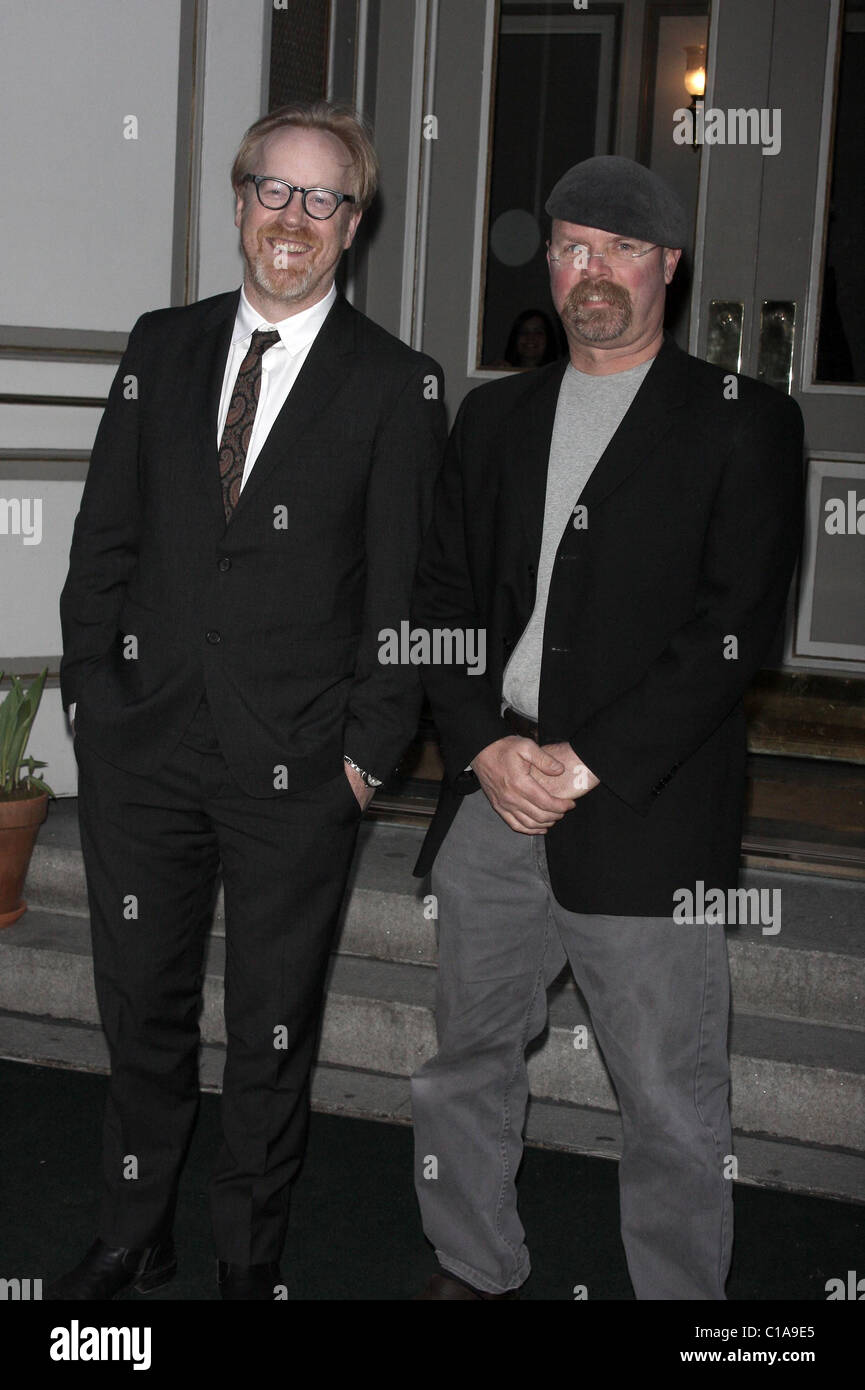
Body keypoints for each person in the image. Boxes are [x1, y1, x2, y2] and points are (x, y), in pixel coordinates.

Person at [52, 100, 445, 1301]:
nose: (292, 217)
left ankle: (246, 1257)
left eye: (322, 199)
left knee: (271, 1028)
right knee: (141, 1007)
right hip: (145, 750)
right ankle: (135, 1227)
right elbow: (102, 541)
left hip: (299, 766)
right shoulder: (158, 347)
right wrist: (92, 700)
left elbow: (405, 587)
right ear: (238, 203)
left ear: (354, 224)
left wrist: (368, 756)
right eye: (272, 190)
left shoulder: (397, 384)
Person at [410, 155, 803, 1300]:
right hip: (494, 791)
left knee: (669, 1098)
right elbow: (438, 605)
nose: (595, 271)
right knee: (460, 1066)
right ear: (552, 263)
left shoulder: (745, 422)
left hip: (643, 809)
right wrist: (485, 743)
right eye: (574, 245)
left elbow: (735, 635)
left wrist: (581, 761)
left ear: (669, 267)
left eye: (623, 249)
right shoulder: (492, 416)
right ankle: (471, 1263)